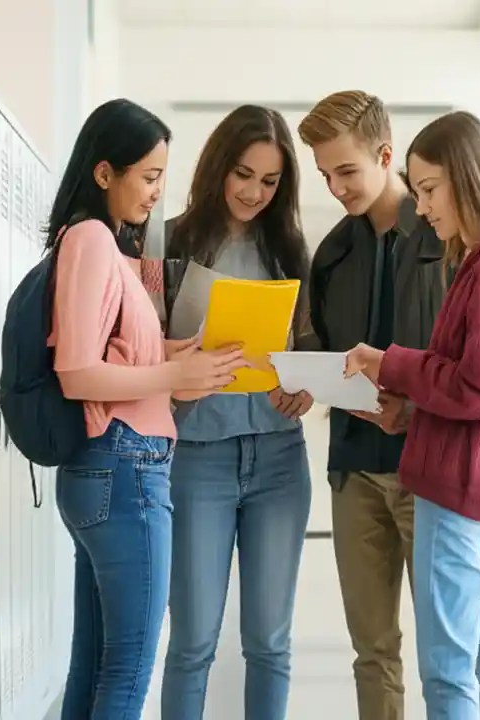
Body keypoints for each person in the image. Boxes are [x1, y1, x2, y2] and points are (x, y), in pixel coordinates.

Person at [344, 110, 480, 720]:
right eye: (418, 192)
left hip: (458, 495)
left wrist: (390, 363)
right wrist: (412, 414)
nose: (424, 207)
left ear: (468, 179)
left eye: (431, 189)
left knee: (448, 673)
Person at [45, 98, 248, 720]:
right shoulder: (90, 240)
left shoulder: (104, 245)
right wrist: (171, 373)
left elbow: (112, 354)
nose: (159, 192)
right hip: (126, 468)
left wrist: (174, 357)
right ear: (105, 173)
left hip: (113, 467)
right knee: (129, 672)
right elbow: (76, 372)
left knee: (98, 668)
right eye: (150, 176)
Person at [158, 104, 316, 720]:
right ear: (220, 167)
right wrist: (177, 376)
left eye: (270, 181)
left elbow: (305, 353)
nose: (254, 192)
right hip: (198, 459)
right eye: (243, 174)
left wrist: (300, 387)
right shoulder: (169, 244)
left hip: (279, 458)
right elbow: (141, 357)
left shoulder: (292, 251)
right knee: (193, 643)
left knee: (270, 644)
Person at [296, 90, 448, 720]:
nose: (335, 187)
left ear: (387, 155)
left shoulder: (443, 239)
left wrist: (411, 411)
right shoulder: (331, 253)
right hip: (354, 469)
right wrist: (300, 377)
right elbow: (324, 354)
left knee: (447, 650)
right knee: (372, 649)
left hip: (431, 470)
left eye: (347, 171)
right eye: (325, 174)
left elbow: (464, 367)